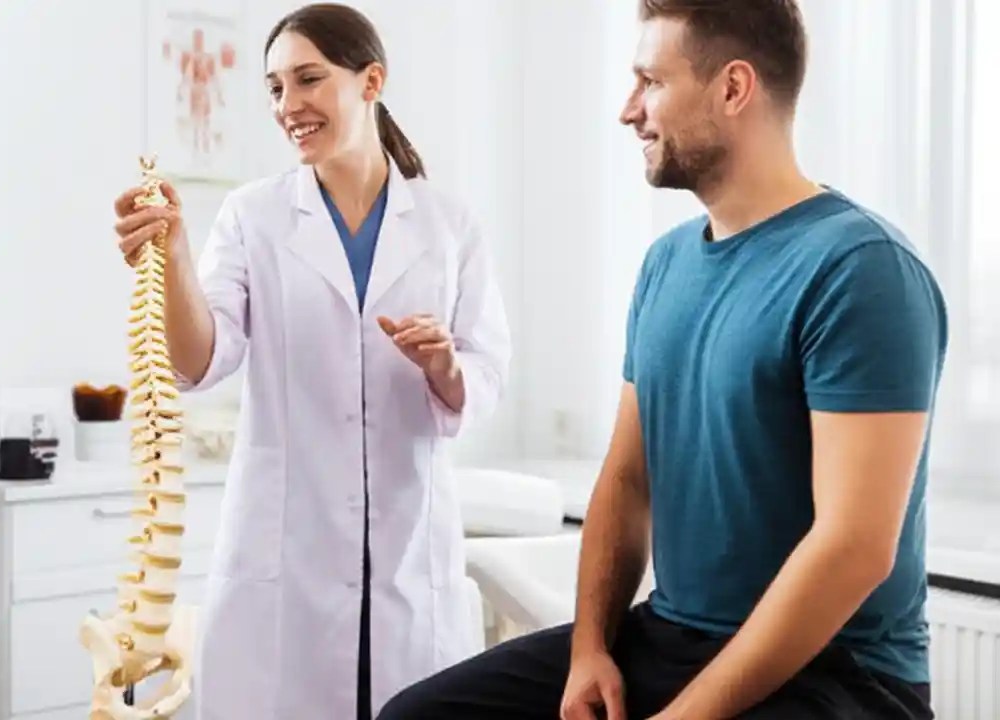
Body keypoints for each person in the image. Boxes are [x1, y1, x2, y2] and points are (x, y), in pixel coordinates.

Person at [378, 1, 947, 719]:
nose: (628, 110)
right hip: (672, 637)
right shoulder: (666, 264)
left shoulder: (861, 269)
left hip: (837, 673)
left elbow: (854, 547)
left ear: (733, 88)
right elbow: (627, 481)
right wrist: (590, 649)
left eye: (650, 82)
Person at [112, 4, 511, 719]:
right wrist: (171, 259)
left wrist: (445, 367)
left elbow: (486, 372)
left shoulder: (449, 224)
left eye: (307, 79)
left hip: (406, 560)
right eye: (274, 88)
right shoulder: (253, 216)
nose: (287, 105)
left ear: (371, 82)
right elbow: (203, 359)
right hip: (283, 564)